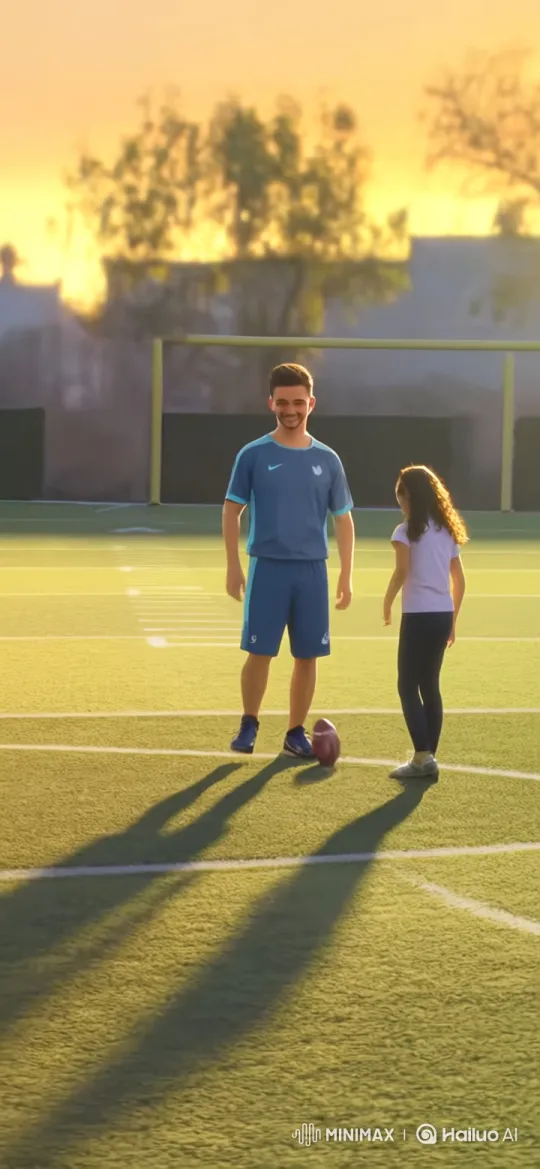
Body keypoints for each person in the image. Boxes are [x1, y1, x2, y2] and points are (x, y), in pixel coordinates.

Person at [223, 362, 355, 758]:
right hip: (268, 567)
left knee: (307, 655)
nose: (291, 409)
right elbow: (232, 510)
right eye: (283, 402)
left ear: (311, 403)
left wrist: (346, 575)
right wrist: (233, 564)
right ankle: (249, 723)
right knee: (259, 651)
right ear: (271, 403)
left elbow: (344, 520)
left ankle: (295, 731)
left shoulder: (328, 460)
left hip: (312, 569)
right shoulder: (254, 455)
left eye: (298, 402)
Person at [383, 465, 467, 780]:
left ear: (410, 497)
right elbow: (459, 580)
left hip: (418, 615)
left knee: (407, 685)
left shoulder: (405, 531)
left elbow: (402, 572)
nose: (399, 504)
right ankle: (428, 755)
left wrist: (388, 601)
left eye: (400, 497)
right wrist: (453, 619)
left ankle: (422, 755)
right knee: (430, 685)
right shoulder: (447, 530)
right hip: (442, 613)